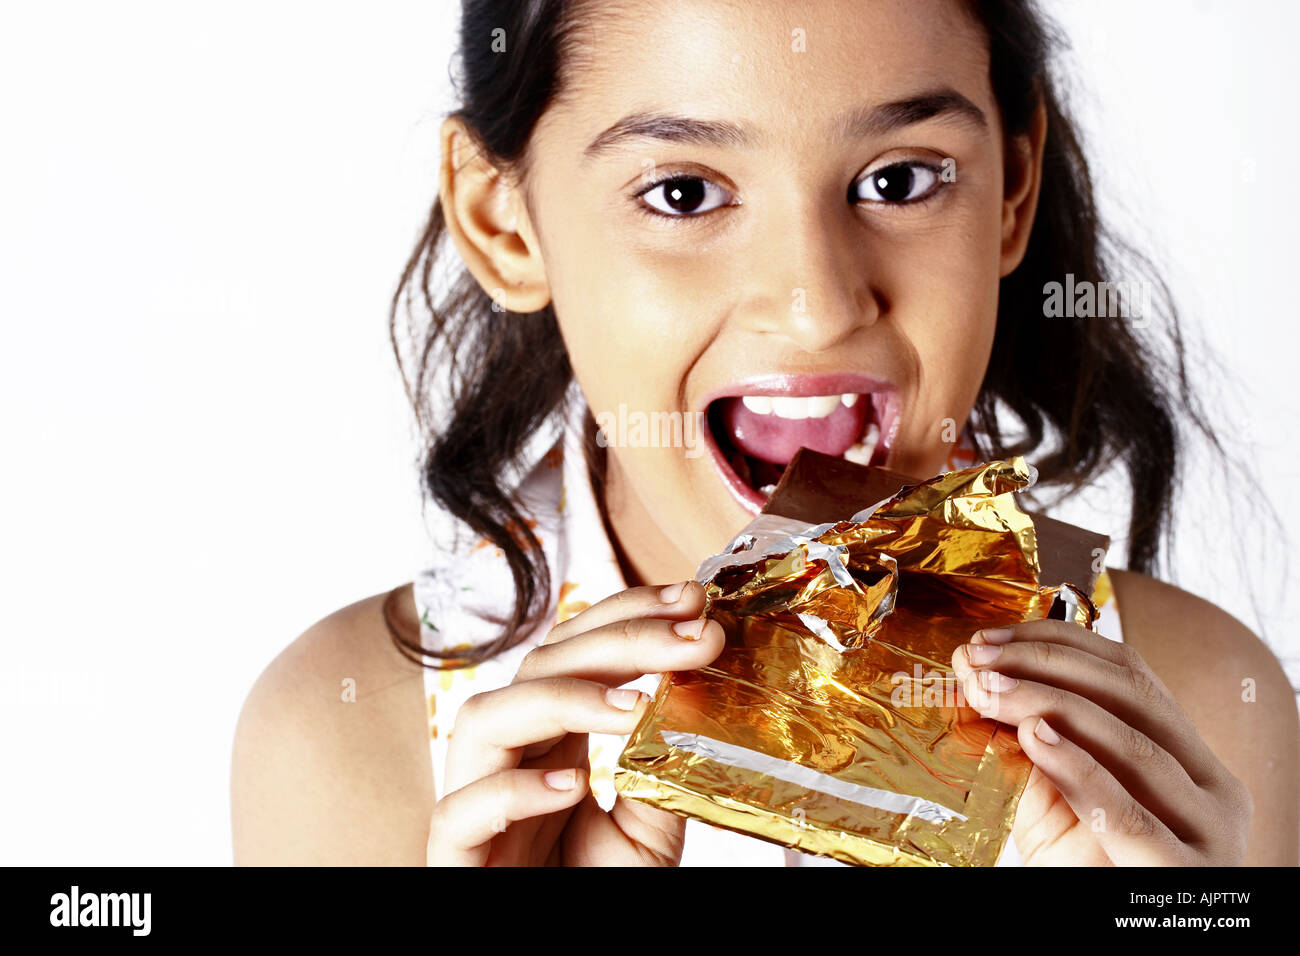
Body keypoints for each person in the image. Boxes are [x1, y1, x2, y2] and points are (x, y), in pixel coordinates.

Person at [230, 0, 1299, 866]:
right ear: (505, 222)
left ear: (1011, 190)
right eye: (684, 192)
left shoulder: (1196, 713)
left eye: (899, 179)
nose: (817, 299)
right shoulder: (348, 737)